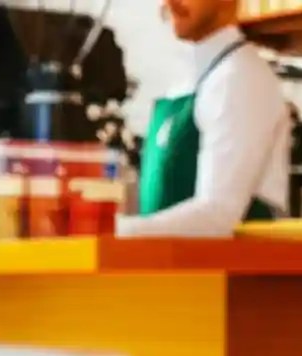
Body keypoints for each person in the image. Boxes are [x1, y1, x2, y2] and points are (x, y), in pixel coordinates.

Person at [117, 0, 290, 237]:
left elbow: (218, 215)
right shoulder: (190, 78)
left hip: (224, 272)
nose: (169, 3)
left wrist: (117, 231)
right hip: (171, 271)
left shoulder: (239, 77)